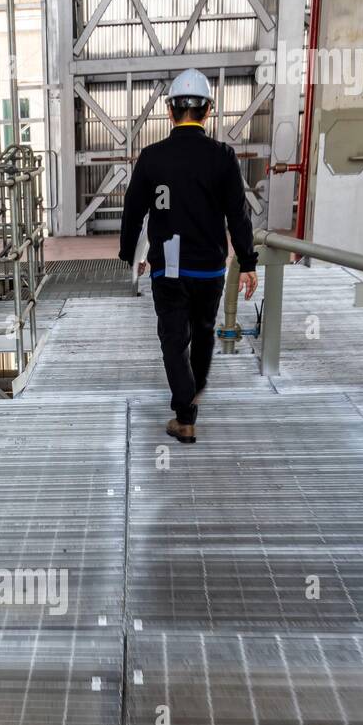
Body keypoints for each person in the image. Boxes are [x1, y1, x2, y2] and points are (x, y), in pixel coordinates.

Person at [119, 68, 259, 444]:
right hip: (210, 267)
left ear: (170, 111)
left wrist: (129, 254)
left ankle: (185, 415)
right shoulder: (223, 157)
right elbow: (238, 214)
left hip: (169, 266)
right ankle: (189, 402)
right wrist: (247, 263)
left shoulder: (151, 158)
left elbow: (133, 212)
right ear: (208, 110)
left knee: (172, 340)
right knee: (202, 334)